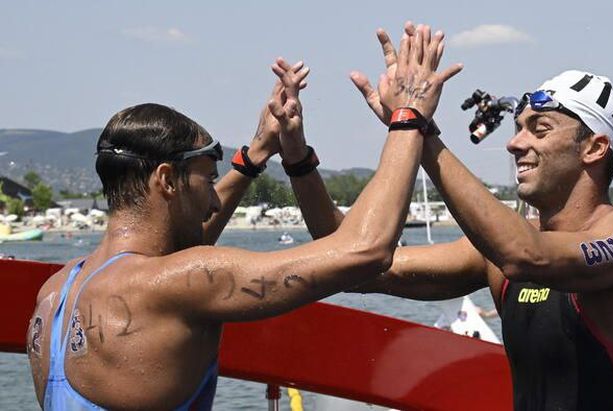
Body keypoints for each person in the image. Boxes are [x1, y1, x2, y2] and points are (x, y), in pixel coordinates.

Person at [26, 29, 462, 410]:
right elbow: (365, 250)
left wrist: (256, 153)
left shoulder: (57, 292)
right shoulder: (185, 281)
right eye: (206, 182)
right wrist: (409, 116)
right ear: (167, 180)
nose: (215, 205)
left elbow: (173, 256)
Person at [287, 22, 613, 410]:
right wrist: (298, 159)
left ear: (594, 147)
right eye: (519, 128)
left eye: (539, 129)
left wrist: (418, 127)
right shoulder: (497, 255)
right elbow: (352, 259)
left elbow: (527, 255)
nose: (514, 143)